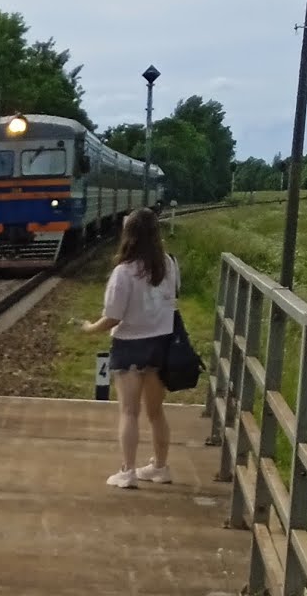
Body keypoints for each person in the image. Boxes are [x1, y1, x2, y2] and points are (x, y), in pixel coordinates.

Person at [78, 208, 180, 489]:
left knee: (129, 412)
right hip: (161, 345)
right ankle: (160, 467)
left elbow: (113, 316)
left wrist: (89, 328)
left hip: (129, 347)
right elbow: (173, 301)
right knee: (156, 412)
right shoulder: (169, 265)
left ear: (129, 235)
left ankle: (128, 471)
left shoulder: (123, 272)